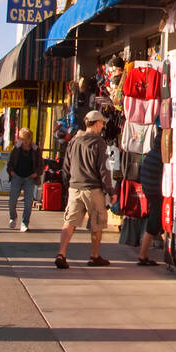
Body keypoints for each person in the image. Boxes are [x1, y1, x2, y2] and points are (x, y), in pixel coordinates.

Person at [56, 111, 114, 269]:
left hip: (75, 187)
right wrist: (110, 190)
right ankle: (94, 256)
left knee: (70, 222)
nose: (103, 126)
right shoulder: (99, 143)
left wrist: (68, 184)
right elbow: (104, 170)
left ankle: (61, 253)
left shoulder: (74, 140)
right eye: (101, 123)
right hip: (93, 189)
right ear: (96, 124)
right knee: (97, 223)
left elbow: (66, 166)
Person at [6, 128, 43, 232]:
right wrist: (11, 171)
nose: (25, 141)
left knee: (28, 202)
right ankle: (13, 217)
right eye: (22, 139)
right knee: (12, 200)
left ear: (30, 139)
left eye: (27, 139)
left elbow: (40, 164)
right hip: (17, 176)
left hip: (30, 178)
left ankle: (24, 222)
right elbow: (10, 163)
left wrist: (37, 173)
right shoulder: (16, 149)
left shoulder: (35, 150)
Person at [136, 134, 163, 266]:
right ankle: (143, 255)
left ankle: (144, 254)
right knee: (155, 222)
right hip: (156, 193)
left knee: (157, 221)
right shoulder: (161, 157)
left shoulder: (151, 154)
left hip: (150, 191)